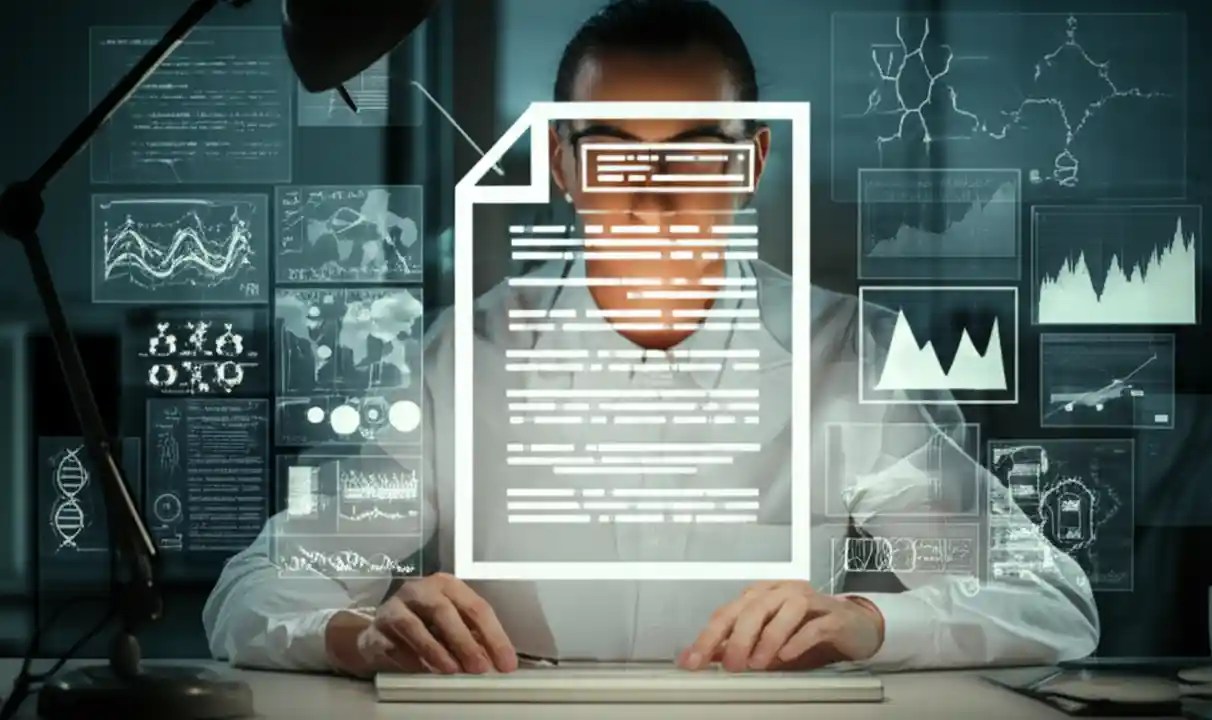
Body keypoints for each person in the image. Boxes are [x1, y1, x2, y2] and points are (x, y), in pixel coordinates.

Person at [205, 0, 1099, 677]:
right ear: (560, 164)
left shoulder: (848, 355)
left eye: (697, 150)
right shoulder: (457, 357)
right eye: (613, 149)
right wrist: (364, 636)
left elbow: (1049, 599)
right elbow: (256, 594)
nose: (654, 192)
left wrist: (868, 622)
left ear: (750, 165)